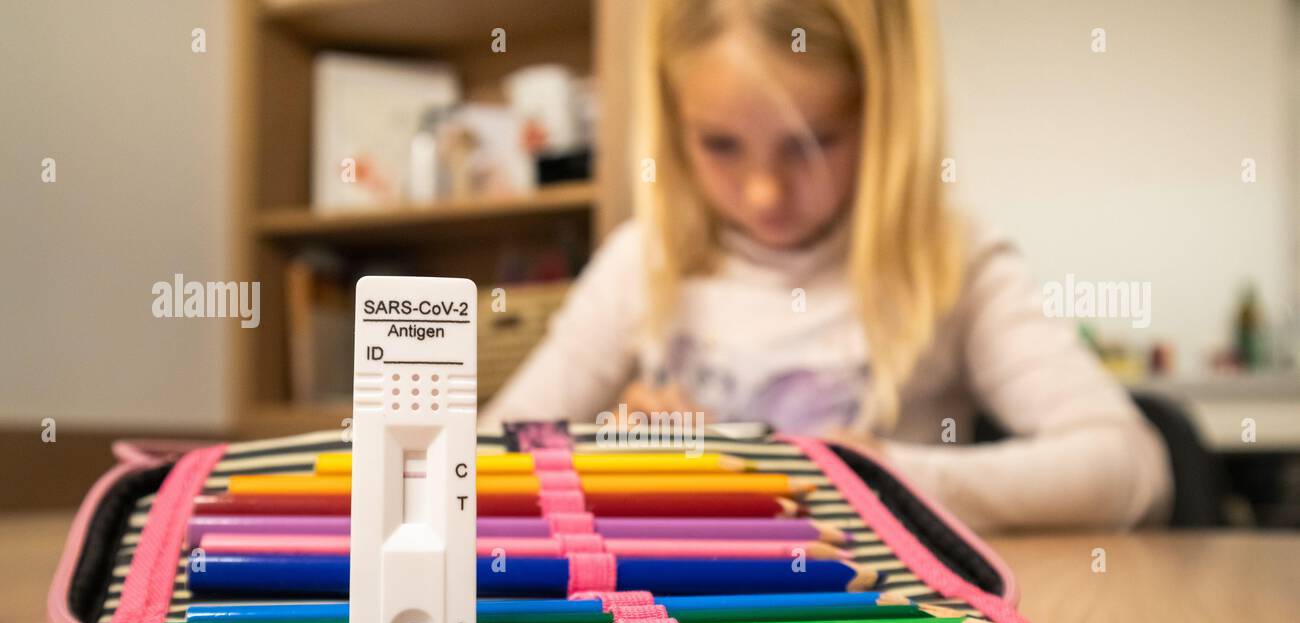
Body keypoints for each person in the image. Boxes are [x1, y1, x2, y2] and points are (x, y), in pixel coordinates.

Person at [484, 0, 1171, 533]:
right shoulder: (643, 261)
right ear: (672, 121)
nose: (765, 193)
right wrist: (601, 463)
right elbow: (481, 461)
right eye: (721, 144)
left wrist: (887, 478)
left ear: (883, 113)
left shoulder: (950, 261)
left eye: (811, 143)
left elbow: (1131, 469)